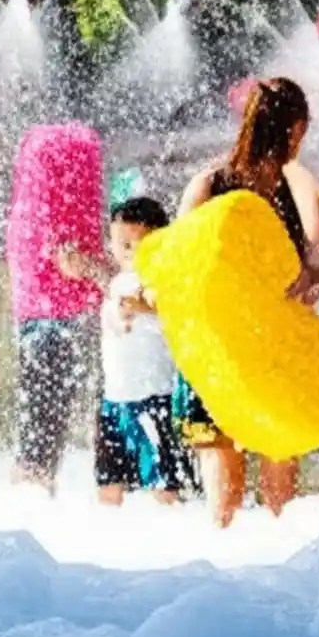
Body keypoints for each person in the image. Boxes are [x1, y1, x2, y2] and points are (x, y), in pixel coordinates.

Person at [174, 77, 319, 528]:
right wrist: (307, 280)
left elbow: (176, 270)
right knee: (281, 510)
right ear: (297, 128)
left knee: (221, 517)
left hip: (216, 353)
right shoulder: (298, 186)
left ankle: (219, 597)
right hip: (274, 355)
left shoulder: (208, 184)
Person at [65, 197, 196, 505]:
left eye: (134, 245)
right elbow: (111, 285)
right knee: (108, 484)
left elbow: (171, 309)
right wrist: (85, 269)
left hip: (153, 399)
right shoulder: (122, 281)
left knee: (164, 487)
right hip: (114, 401)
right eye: (120, 244)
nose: (127, 253)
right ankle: (112, 543)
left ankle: (175, 537)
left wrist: (143, 308)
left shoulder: (161, 283)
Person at [5, 123, 106, 493]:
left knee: (39, 425)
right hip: (57, 318)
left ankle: (32, 486)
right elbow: (79, 262)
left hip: (40, 315)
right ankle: (35, 483)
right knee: (47, 422)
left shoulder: (28, 220)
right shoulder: (64, 230)